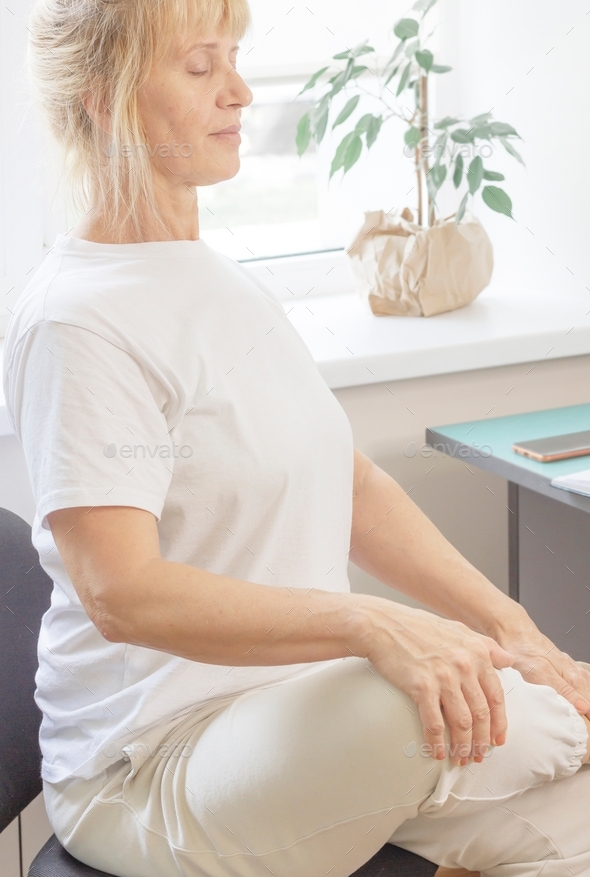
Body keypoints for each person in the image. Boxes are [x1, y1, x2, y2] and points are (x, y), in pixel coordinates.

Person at [4, 1, 589, 875]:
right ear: (101, 97)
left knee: (564, 762)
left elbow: (348, 485)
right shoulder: (78, 322)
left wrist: (515, 628)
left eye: (234, 58)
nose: (238, 91)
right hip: (151, 765)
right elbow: (121, 592)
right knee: (427, 707)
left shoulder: (217, 281)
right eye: (200, 67)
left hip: (290, 722)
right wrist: (373, 623)